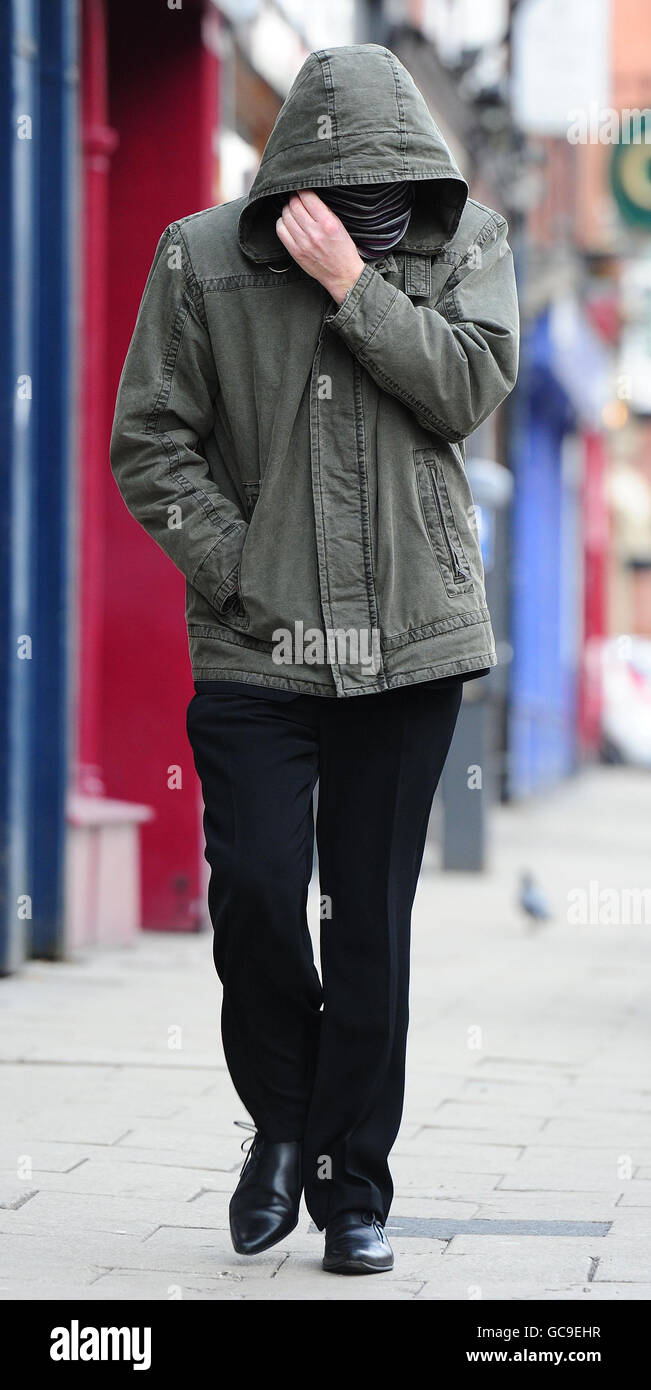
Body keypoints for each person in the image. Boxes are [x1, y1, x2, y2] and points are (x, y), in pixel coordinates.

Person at [110, 43, 519, 1276]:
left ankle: (354, 1186)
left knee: (371, 925)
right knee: (255, 894)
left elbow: (468, 386)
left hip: (412, 642)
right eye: (325, 198)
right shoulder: (200, 257)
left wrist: (355, 285)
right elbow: (151, 444)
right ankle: (280, 1126)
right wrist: (248, 573)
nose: (347, 213)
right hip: (256, 647)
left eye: (372, 194)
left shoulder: (469, 242)